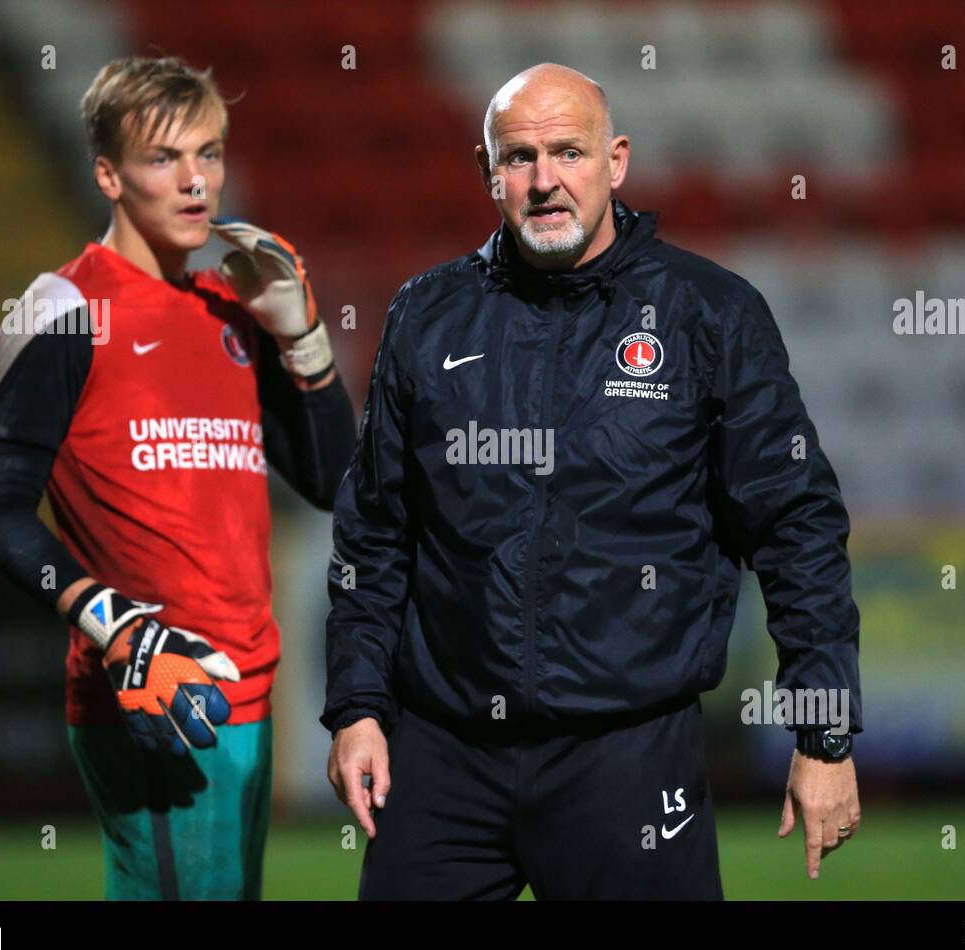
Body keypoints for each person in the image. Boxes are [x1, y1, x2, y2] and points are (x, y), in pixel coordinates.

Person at [324, 63, 862, 900]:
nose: (544, 182)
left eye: (567, 153)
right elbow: (375, 532)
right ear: (486, 170)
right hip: (443, 755)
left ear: (615, 162)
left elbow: (796, 525)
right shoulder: (425, 315)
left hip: (630, 756)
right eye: (518, 158)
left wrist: (824, 736)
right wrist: (358, 706)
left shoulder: (708, 313)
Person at [0, 55, 355, 900]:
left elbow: (334, 480)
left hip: (252, 691)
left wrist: (302, 337)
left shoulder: (232, 307)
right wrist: (116, 626)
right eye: (163, 159)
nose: (196, 183)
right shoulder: (65, 308)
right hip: (152, 688)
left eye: (210, 154)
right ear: (107, 174)